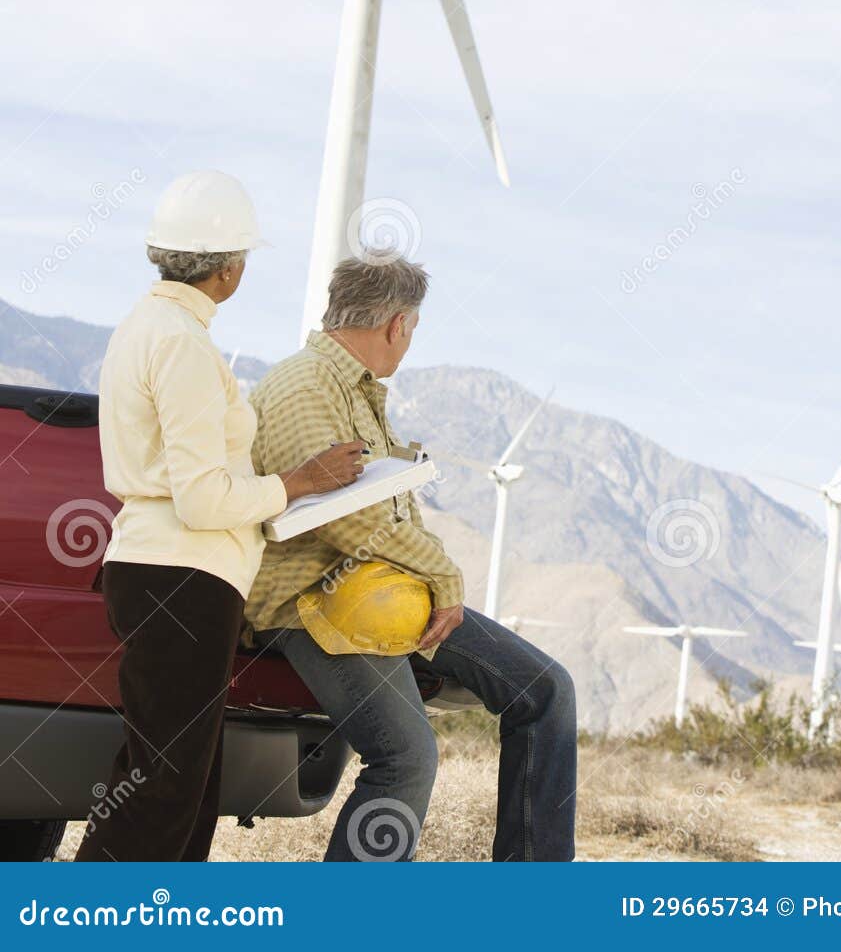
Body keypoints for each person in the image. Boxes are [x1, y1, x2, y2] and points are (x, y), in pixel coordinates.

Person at [246, 250, 577, 862]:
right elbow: (346, 520)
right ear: (398, 324)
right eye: (413, 330)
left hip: (387, 592)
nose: (409, 343)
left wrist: (429, 575)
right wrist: (443, 573)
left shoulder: (356, 390)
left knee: (544, 689)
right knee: (406, 757)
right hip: (315, 604)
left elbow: (376, 501)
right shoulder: (304, 387)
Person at [76, 171, 366, 862]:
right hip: (182, 579)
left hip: (164, 575)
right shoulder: (181, 342)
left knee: (187, 784)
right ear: (230, 269)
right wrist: (295, 483)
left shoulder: (144, 328)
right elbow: (202, 498)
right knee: (162, 786)